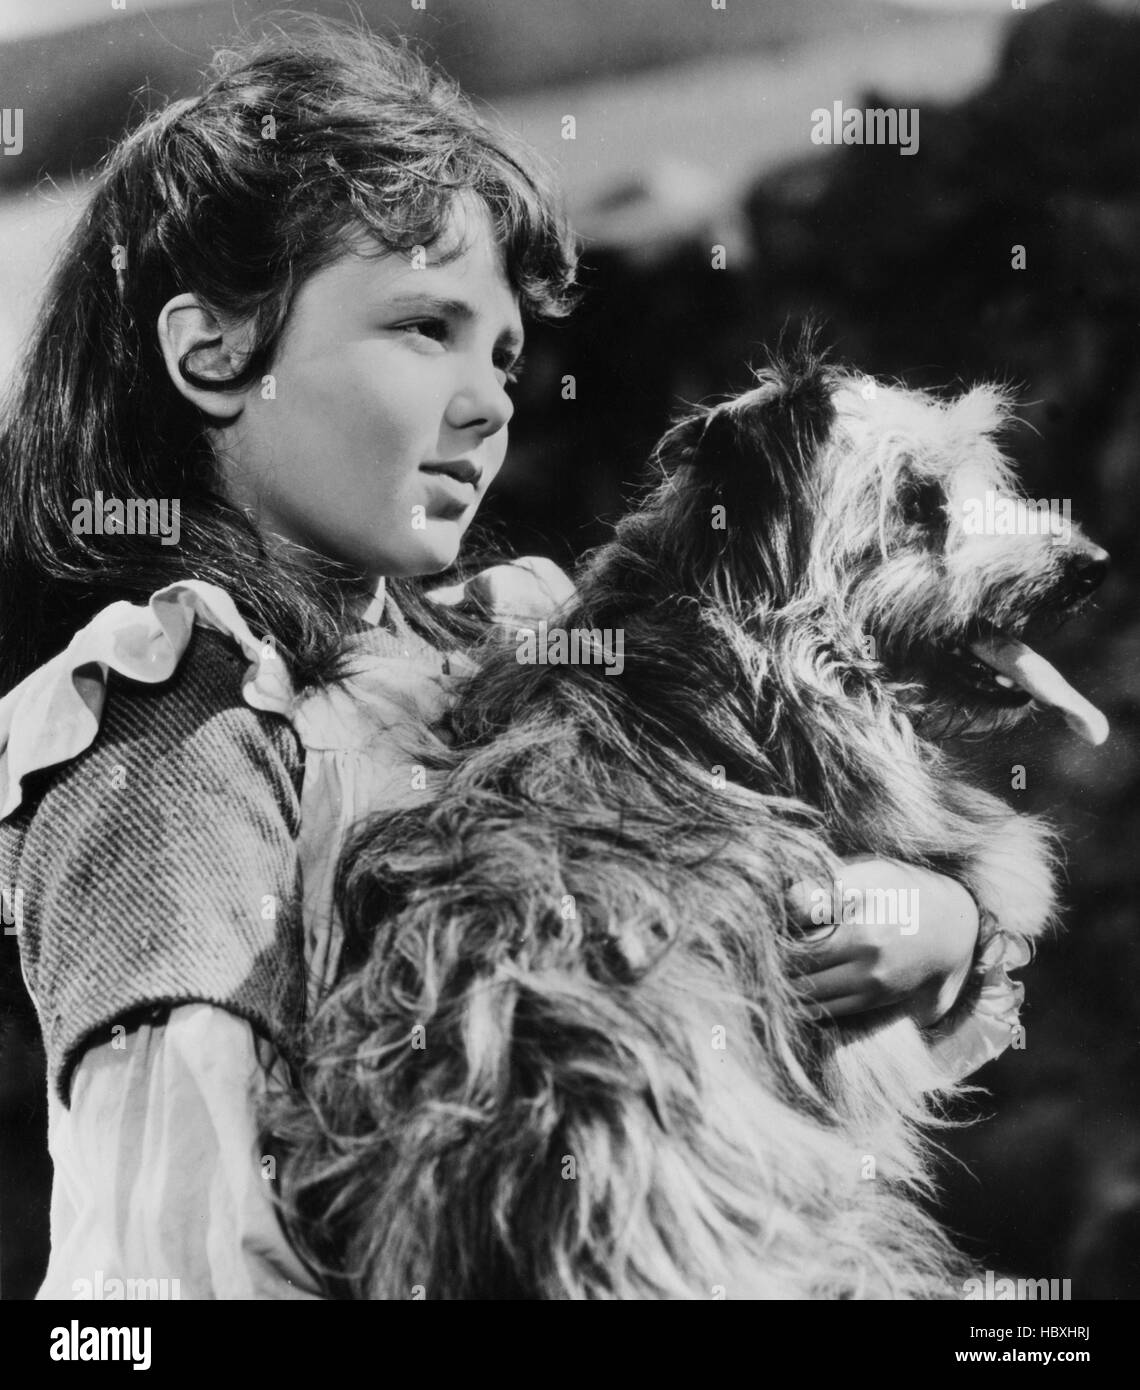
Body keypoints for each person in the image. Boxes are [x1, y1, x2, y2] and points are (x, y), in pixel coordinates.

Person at [0, 21, 1016, 1300]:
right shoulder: (172, 719)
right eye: (425, 328)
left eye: (505, 354)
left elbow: (755, 870)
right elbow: (177, 1246)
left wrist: (938, 930)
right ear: (212, 353)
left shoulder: (519, 634)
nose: (489, 404)